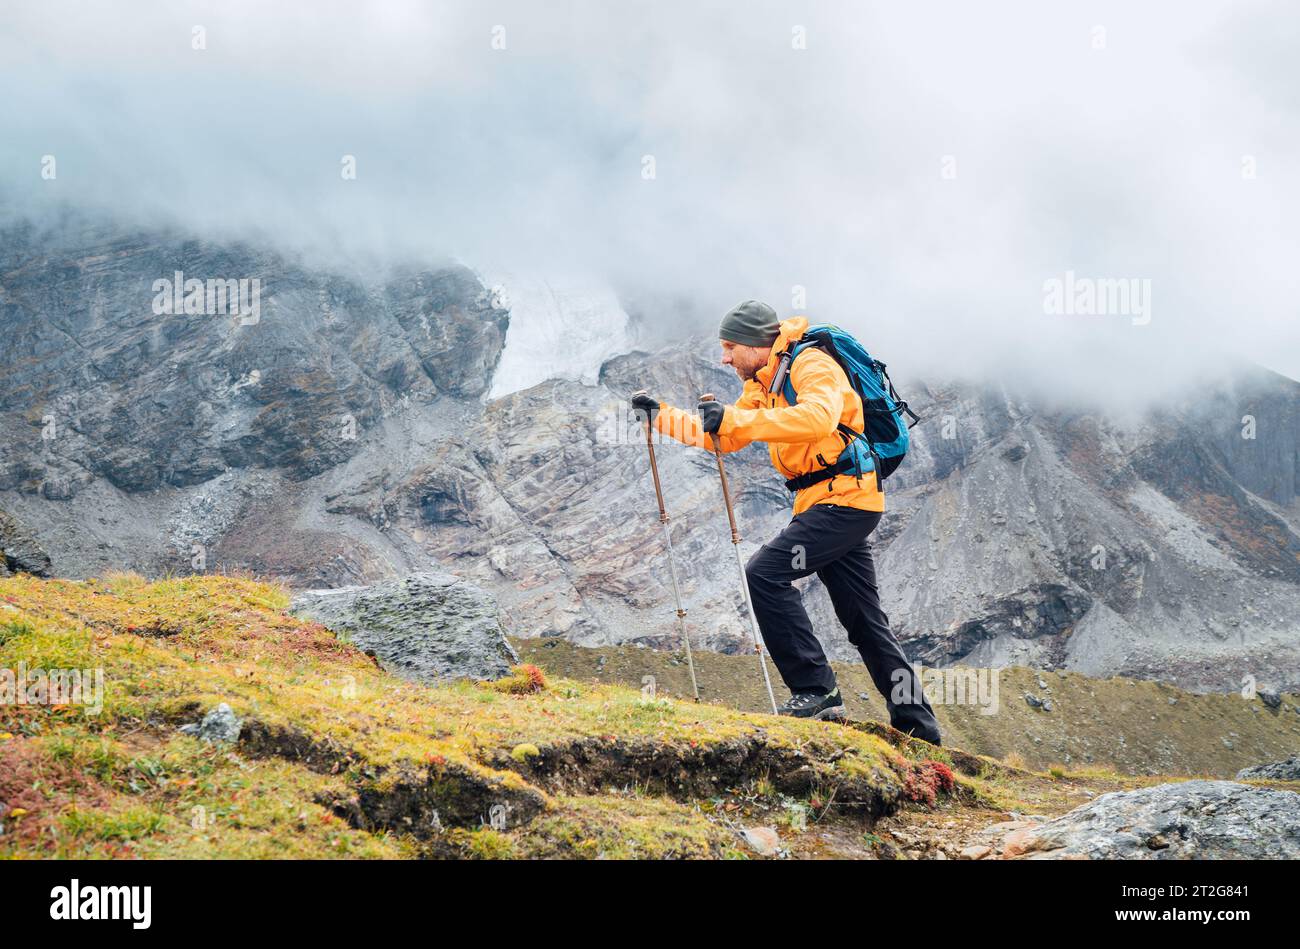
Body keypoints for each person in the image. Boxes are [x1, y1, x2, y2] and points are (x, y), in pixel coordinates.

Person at [631, 300, 941, 743]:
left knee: (764, 574)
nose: (724, 358)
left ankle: (816, 691)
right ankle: (920, 731)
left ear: (757, 344)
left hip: (847, 498)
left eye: (729, 347)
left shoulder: (811, 363)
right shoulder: (764, 381)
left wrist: (737, 417)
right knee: (865, 623)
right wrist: (662, 416)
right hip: (826, 502)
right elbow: (725, 437)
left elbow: (819, 418)